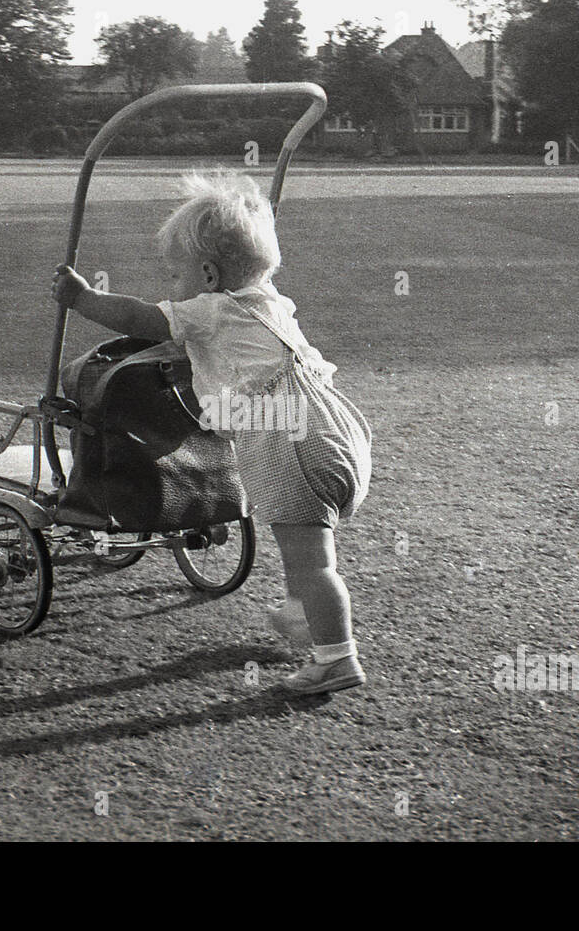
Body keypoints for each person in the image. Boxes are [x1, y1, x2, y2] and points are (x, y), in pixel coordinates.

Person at [51, 170, 372, 694]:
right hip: (334, 429)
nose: (171, 290)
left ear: (205, 273)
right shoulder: (269, 301)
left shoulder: (212, 309)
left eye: (175, 277)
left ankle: (336, 657)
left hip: (289, 440)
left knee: (314, 560)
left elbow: (141, 319)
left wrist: (84, 298)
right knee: (304, 544)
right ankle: (302, 612)